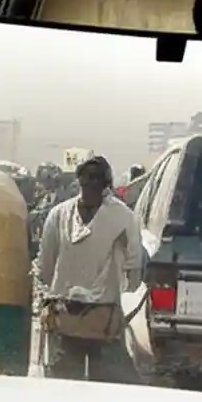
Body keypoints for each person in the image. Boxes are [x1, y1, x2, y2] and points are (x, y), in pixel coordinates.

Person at [32, 156, 144, 383]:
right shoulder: (60, 215)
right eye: (87, 178)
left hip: (93, 321)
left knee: (90, 387)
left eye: (96, 179)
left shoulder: (123, 218)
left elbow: (44, 269)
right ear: (79, 180)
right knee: (70, 387)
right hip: (75, 319)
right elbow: (45, 266)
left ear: (105, 185)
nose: (91, 184)